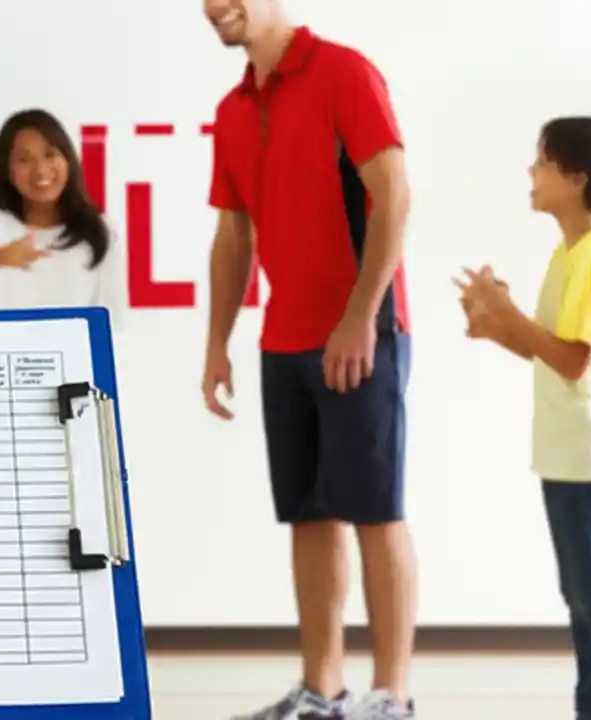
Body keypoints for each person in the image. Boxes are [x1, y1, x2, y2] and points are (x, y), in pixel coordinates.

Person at [200, 2, 414, 718]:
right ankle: (322, 693)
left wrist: (359, 317)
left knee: (375, 513)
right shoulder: (232, 111)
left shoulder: (342, 73)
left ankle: (392, 697)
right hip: (282, 338)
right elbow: (235, 238)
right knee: (309, 516)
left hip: (361, 331)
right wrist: (215, 344)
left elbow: (393, 196)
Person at [456, 117, 591, 720]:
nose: (531, 174)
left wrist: (508, 313)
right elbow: (554, 352)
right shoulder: (571, 253)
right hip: (563, 448)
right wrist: (496, 325)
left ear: (576, 178)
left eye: (542, 162)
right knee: (581, 594)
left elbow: (575, 360)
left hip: (585, 449)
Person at [0, 109, 125, 326]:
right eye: (24, 159)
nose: (41, 170)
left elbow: (114, 323)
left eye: (50, 155)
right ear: (7, 170)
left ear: (68, 159)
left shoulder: (98, 231)